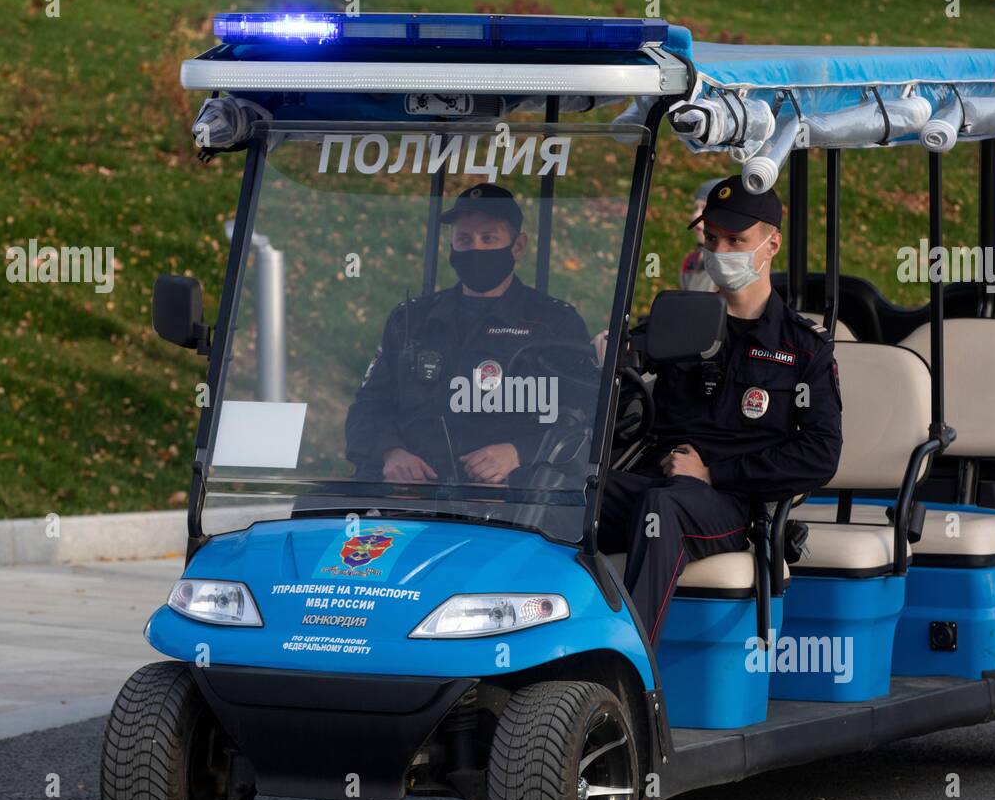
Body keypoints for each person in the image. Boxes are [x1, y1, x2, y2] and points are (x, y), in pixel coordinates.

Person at [597, 175, 843, 647]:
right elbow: (628, 367)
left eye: (736, 240)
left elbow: (819, 455)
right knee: (567, 494)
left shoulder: (802, 348)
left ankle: (627, 667)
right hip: (660, 478)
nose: (721, 251)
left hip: (733, 501)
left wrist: (712, 474)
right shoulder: (676, 323)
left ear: (771, 243)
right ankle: (529, 654)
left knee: (661, 506)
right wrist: (606, 355)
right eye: (712, 239)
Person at [345, 183, 594, 485]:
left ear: (518, 246)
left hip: (508, 501)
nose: (476, 248)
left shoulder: (555, 324)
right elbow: (367, 407)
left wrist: (519, 452)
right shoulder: (411, 319)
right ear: (452, 247)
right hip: (408, 494)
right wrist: (391, 453)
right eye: (464, 239)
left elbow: (582, 419)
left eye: (489, 238)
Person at [679, 177, 725, 292]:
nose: (695, 216)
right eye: (695, 208)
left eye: (704, 208)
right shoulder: (691, 262)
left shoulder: (733, 266)